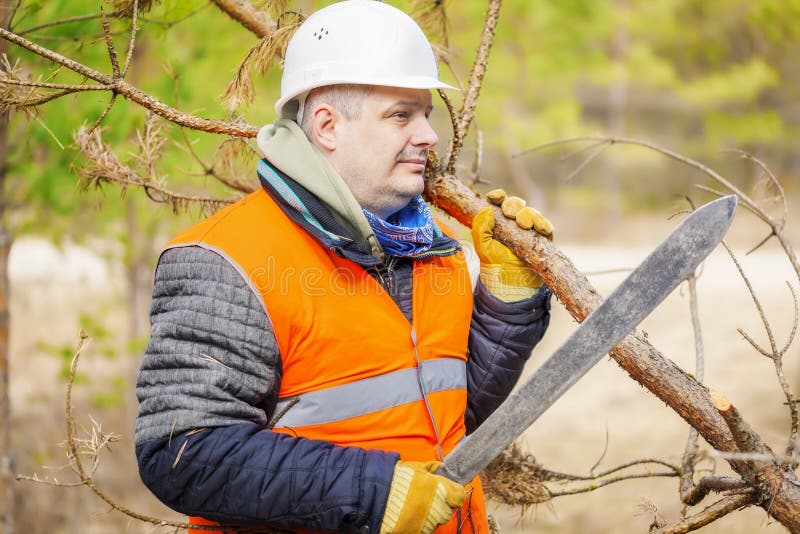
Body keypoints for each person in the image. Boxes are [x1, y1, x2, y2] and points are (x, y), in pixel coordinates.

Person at [135, 1, 552, 533]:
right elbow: (184, 452)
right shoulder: (224, 261)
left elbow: (452, 416)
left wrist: (509, 302)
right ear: (328, 126)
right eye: (401, 115)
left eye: (425, 113)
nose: (427, 135)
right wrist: (374, 494)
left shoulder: (434, 246)